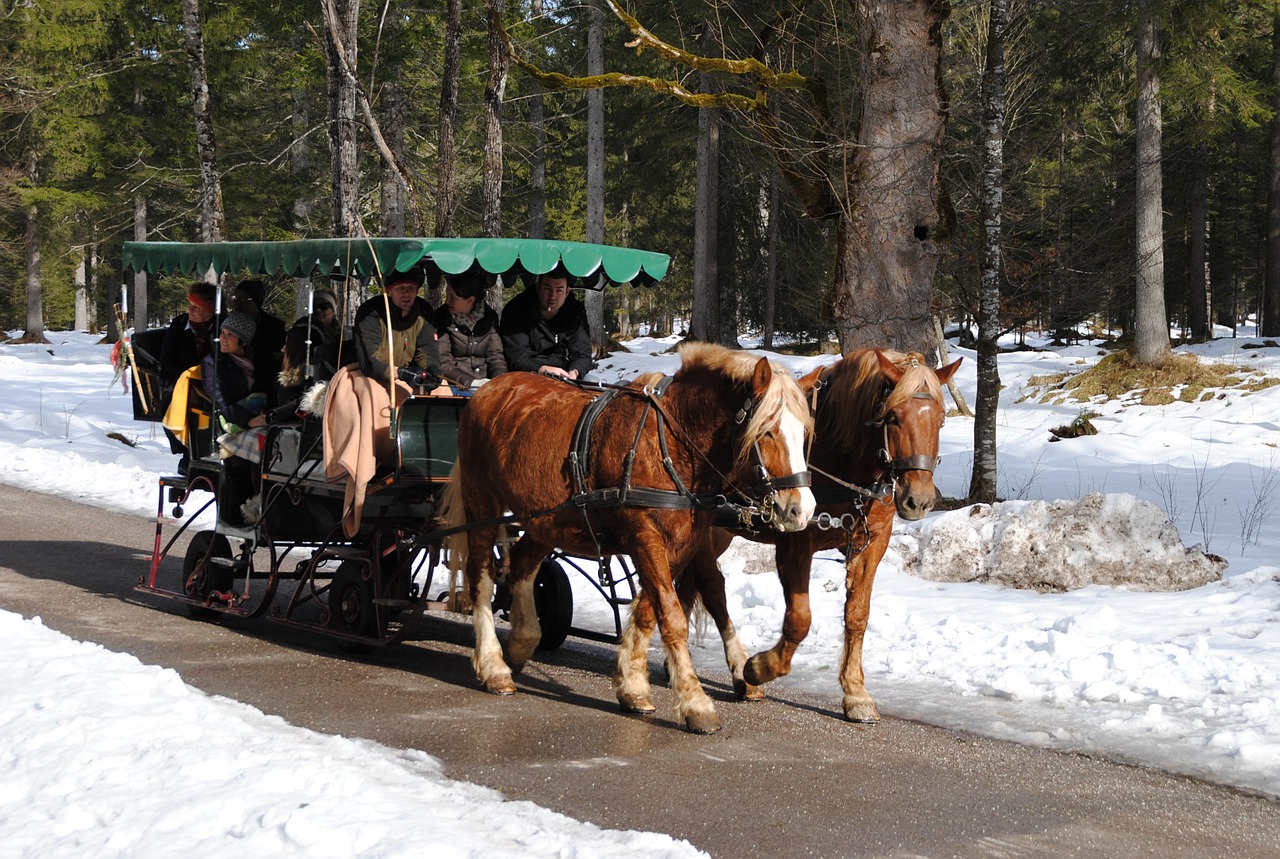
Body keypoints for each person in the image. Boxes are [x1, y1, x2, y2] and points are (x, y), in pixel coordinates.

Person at [352, 270, 448, 393]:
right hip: (372, 373)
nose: (406, 293)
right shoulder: (370, 313)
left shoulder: (424, 312)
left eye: (411, 288)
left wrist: (431, 369)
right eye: (400, 288)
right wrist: (400, 373)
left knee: (442, 389)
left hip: (409, 372)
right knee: (374, 394)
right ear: (389, 291)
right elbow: (369, 361)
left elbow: (427, 349)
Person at [499, 264, 593, 381]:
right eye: (547, 289)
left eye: (559, 290)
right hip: (527, 373)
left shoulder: (575, 311)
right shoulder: (516, 309)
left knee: (592, 384)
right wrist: (542, 369)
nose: (552, 296)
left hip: (562, 372)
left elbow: (583, 354)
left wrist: (575, 372)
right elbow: (516, 358)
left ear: (567, 292)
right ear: (538, 287)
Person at [429, 269, 507, 391]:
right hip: (454, 384)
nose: (447, 301)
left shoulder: (489, 317)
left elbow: (495, 356)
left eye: (452, 297)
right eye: (447, 295)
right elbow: (442, 361)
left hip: (486, 382)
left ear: (470, 300)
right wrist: (470, 382)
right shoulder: (442, 317)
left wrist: (500, 381)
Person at [232, 279, 288, 395]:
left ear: (256, 303)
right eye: (235, 297)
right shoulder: (229, 324)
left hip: (265, 383)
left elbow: (278, 356)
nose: (237, 302)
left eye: (243, 298)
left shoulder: (274, 327)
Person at [159, 282, 219, 387]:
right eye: (190, 305)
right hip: (182, 382)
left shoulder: (220, 326)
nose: (190, 310)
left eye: (196, 307)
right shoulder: (179, 325)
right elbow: (167, 361)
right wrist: (191, 377)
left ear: (210, 312)